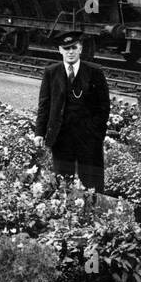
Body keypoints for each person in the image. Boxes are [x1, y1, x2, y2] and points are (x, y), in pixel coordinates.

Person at [34, 30, 111, 193]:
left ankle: (92, 212)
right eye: (66, 48)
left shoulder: (94, 72)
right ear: (60, 50)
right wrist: (39, 132)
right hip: (61, 136)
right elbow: (44, 105)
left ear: (80, 49)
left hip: (87, 137)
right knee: (62, 181)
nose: (70, 52)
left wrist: (95, 131)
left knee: (91, 182)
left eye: (74, 48)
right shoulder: (51, 72)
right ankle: (65, 212)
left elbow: (104, 106)